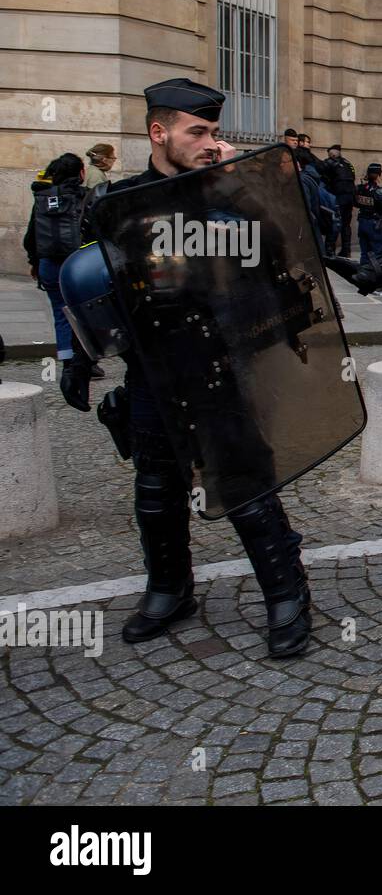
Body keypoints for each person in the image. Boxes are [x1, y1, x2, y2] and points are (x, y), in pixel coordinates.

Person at [68, 78, 314, 658]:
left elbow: (286, 255)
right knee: (156, 492)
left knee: (246, 485)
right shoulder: (116, 206)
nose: (211, 142)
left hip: (219, 367)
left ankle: (287, 593)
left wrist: (243, 185)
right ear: (160, 132)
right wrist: (76, 358)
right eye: (198, 131)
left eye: (216, 132)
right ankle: (168, 589)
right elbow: (83, 288)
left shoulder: (223, 198)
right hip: (152, 373)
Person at [24, 153, 93, 373]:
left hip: (49, 265)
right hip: (80, 265)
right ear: (81, 173)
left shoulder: (42, 198)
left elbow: (30, 237)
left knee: (60, 312)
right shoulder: (85, 197)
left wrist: (35, 262)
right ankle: (87, 360)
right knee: (86, 311)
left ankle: (68, 361)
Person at [319, 144, 357, 256]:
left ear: (332, 154)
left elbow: (323, 177)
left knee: (334, 222)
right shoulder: (348, 163)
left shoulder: (330, 163)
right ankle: (346, 250)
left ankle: (329, 250)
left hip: (338, 197)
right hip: (350, 197)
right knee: (346, 224)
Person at [354, 163, 382, 265]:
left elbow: (355, 203)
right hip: (375, 224)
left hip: (362, 222)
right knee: (378, 254)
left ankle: (364, 274)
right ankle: (376, 276)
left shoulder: (360, 188)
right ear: (378, 175)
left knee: (364, 253)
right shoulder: (379, 191)